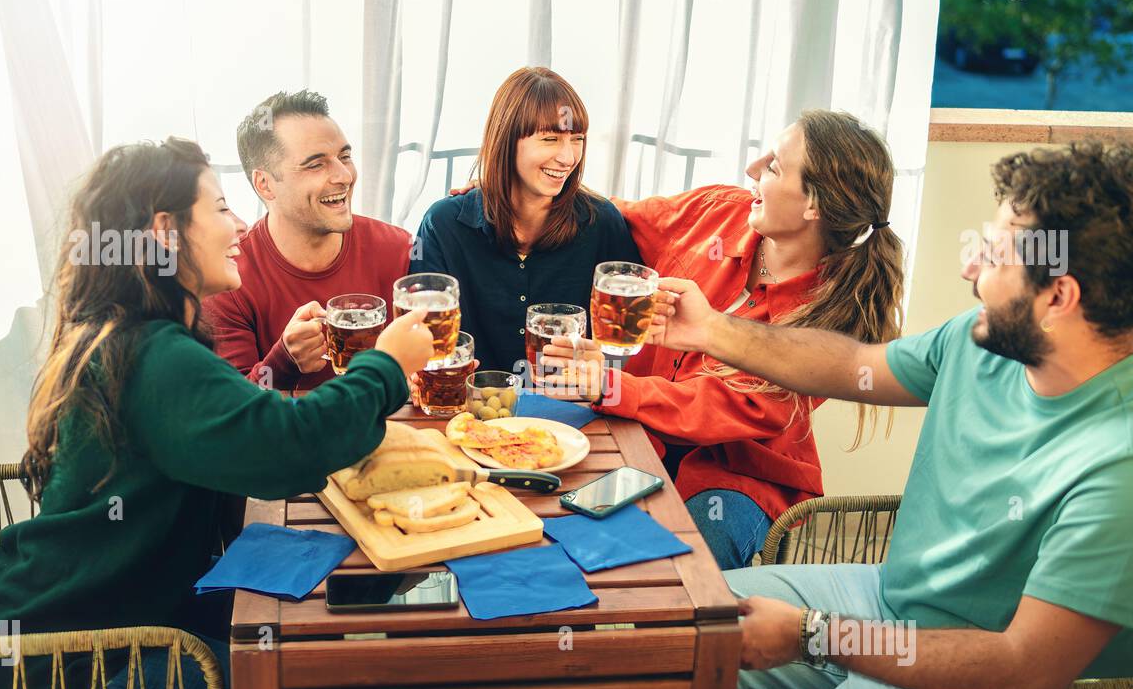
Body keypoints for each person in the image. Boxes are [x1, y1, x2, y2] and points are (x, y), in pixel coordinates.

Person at [648, 140, 1133, 689]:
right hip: (890, 602)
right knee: (681, 640)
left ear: (1060, 295)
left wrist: (815, 635)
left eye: (995, 254)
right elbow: (853, 365)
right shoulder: (987, 342)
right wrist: (714, 330)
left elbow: (1022, 673)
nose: (970, 263)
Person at [0, 138, 433, 689]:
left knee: (313, 634)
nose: (238, 226)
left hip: (74, 634)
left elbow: (233, 423)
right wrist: (388, 366)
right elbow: (288, 450)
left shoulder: (136, 335)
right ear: (165, 231)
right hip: (61, 680)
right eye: (219, 208)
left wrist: (282, 368)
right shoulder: (156, 356)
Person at [542, 110, 903, 570]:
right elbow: (614, 216)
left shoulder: (830, 323)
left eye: (774, 167)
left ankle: (684, 638)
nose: (753, 168)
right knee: (560, 528)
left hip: (737, 473)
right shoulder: (720, 211)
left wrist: (610, 386)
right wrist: (519, 196)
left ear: (815, 205)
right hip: (636, 431)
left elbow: (715, 406)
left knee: (692, 571)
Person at [411, 67, 642, 376]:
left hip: (576, 414)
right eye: (550, 139)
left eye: (577, 139)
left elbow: (630, 346)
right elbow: (419, 341)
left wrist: (605, 368)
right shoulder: (443, 225)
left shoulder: (601, 223)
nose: (568, 157)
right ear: (507, 142)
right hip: (469, 414)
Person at [205, 90, 414, 390]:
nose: (344, 175)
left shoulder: (399, 249)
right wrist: (284, 362)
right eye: (316, 165)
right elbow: (230, 414)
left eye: (345, 157)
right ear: (265, 185)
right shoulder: (227, 278)